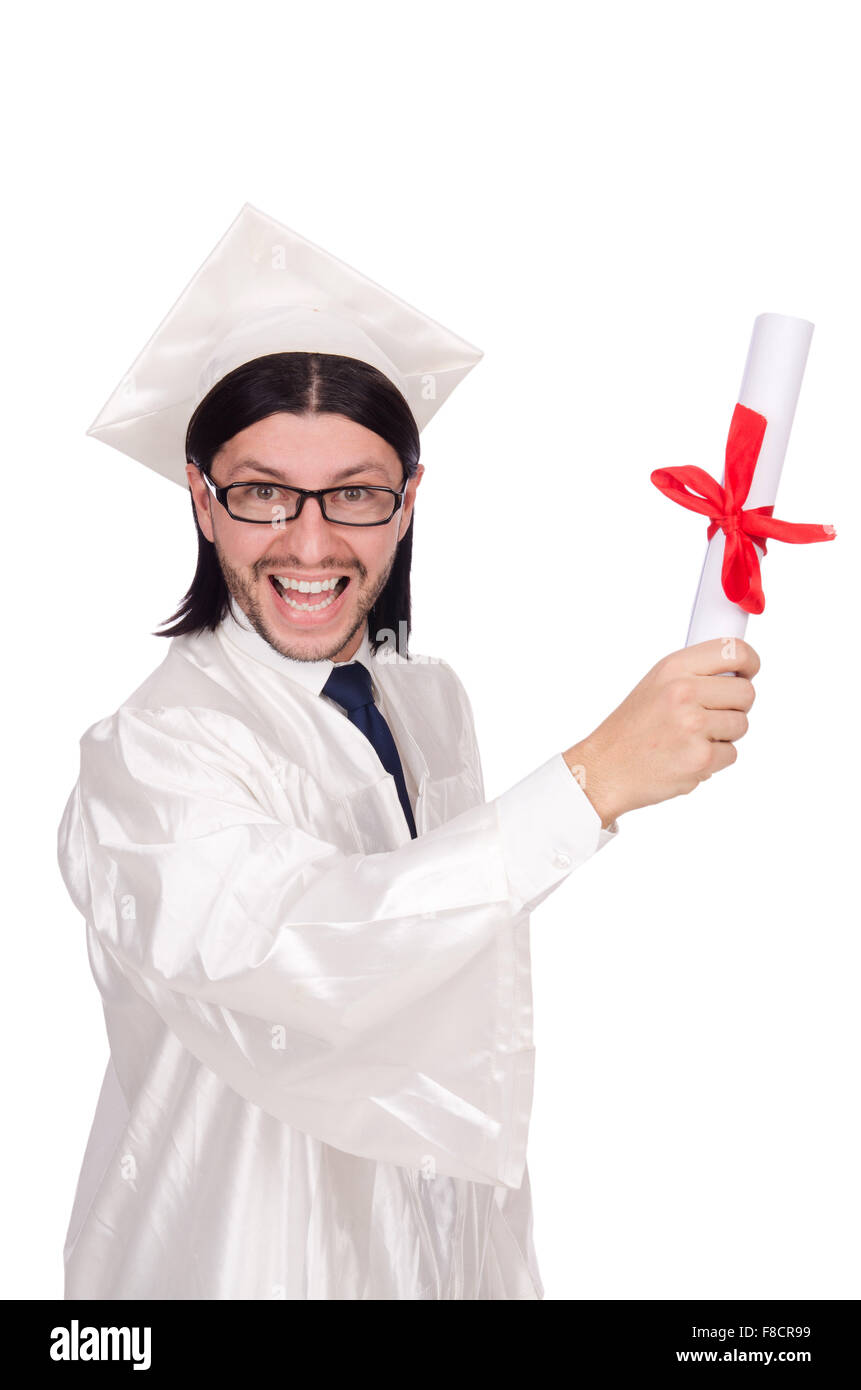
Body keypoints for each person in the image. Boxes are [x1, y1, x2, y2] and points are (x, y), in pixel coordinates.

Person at [57, 205, 758, 1300]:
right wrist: (594, 782)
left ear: (409, 499)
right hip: (229, 1261)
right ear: (201, 496)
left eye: (356, 491)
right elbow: (311, 955)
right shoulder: (151, 756)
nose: (309, 538)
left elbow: (448, 973)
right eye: (260, 492)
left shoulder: (428, 706)